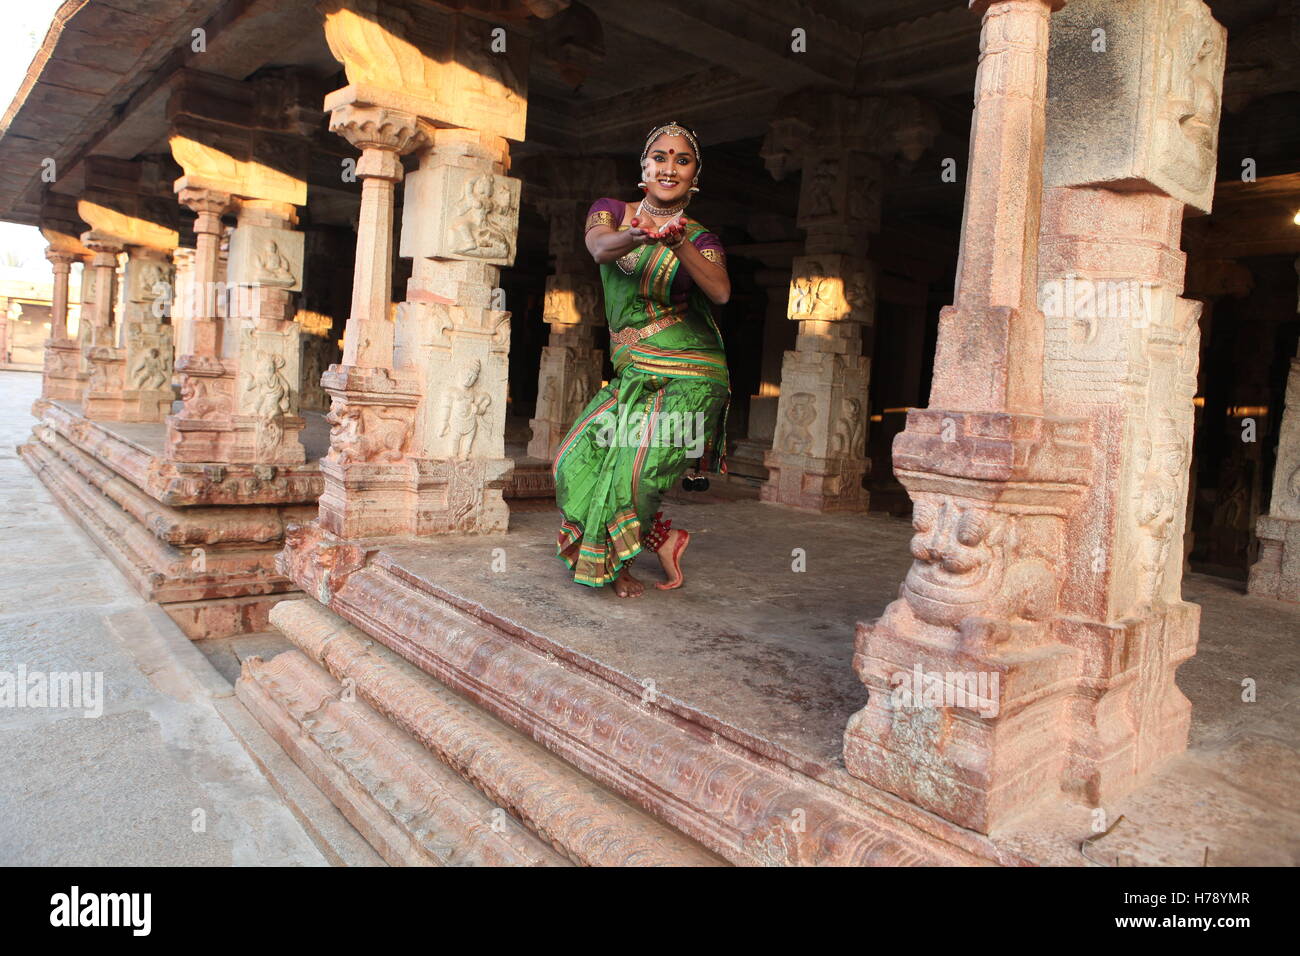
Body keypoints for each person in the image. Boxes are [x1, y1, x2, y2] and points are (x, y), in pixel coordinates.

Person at [553, 121, 731, 598]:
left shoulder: (702, 238)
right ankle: (663, 538)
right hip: (634, 366)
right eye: (660, 157)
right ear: (643, 166)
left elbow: (719, 290)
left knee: (637, 470)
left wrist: (677, 243)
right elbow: (598, 248)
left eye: (682, 160)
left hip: (692, 371)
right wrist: (641, 234)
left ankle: (617, 564)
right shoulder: (611, 212)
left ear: (694, 175)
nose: (669, 167)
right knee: (575, 462)